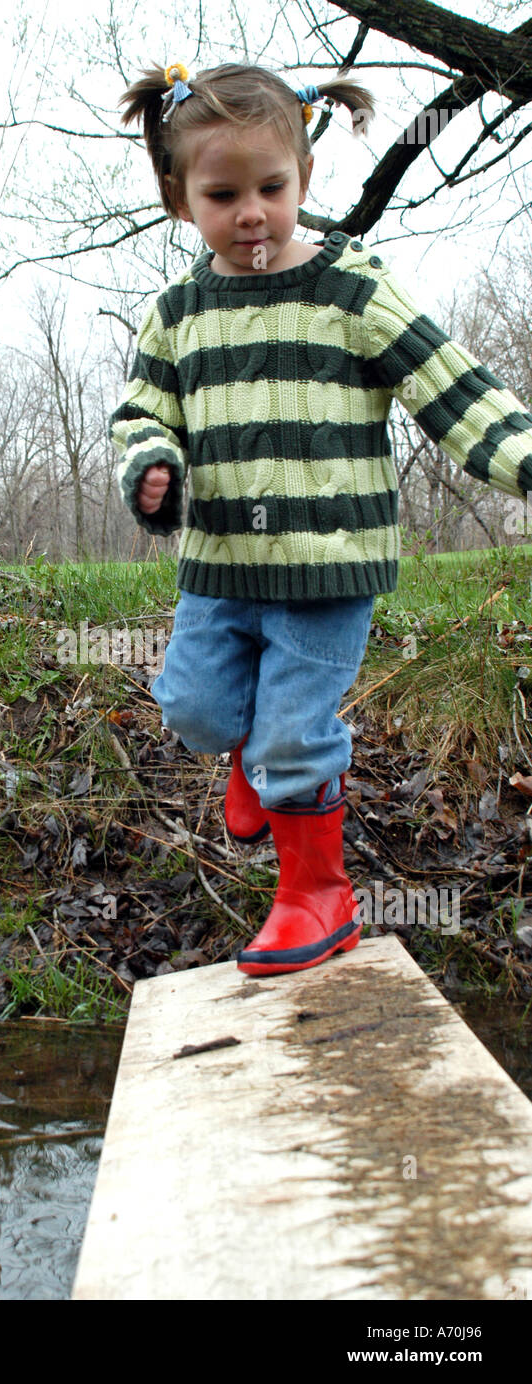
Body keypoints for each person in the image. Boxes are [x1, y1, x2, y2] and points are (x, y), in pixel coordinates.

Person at [109, 60, 532, 977]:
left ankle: (316, 897)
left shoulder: (353, 290)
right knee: (190, 706)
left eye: (273, 186)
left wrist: (520, 457)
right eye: (224, 194)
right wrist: (153, 467)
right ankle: (251, 758)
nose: (252, 212)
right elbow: (144, 414)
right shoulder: (177, 313)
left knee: (294, 734)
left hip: (328, 568)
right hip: (220, 568)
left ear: (304, 177)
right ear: (179, 199)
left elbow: (448, 384)